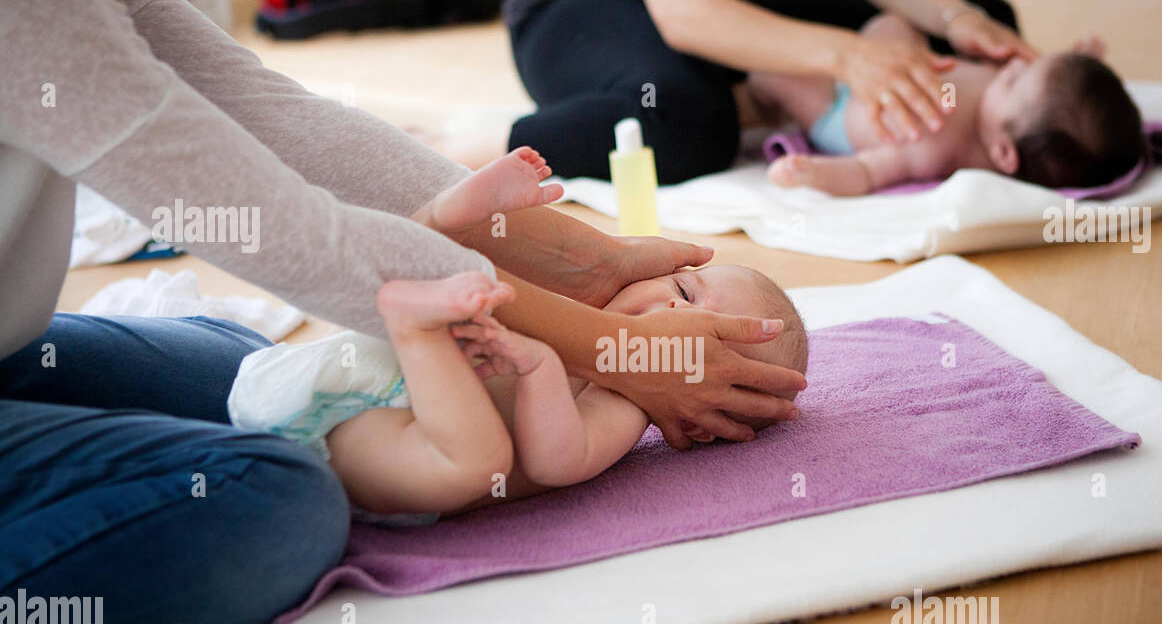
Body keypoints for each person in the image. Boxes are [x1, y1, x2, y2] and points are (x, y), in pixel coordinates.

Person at [0, 0, 804, 624]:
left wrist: (588, 271)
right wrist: (613, 345)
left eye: (692, 312)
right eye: (687, 296)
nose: (671, 305)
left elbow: (274, 120)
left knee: (242, 361)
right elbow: (287, 232)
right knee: (280, 501)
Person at [227, 148, 809, 517]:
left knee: (478, 464)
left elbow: (558, 462)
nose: (670, 312)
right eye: (683, 290)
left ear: (699, 408)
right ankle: (444, 225)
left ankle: (433, 255)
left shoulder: (622, 408)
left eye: (702, 338)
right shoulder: (572, 320)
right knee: (455, 296)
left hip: (362, 446)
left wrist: (539, 372)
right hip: (354, 366)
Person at [494, 0, 1037, 183]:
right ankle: (481, 145)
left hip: (723, 13)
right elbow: (679, 8)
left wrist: (958, 20)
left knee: (983, 15)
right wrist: (845, 58)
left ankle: (761, 96)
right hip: (579, 13)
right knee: (690, 122)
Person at [760, 16, 1144, 194]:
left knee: (774, 75)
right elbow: (1046, 92)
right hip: (891, 59)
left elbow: (866, 171)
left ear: (1004, 153)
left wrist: (810, 172)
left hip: (841, 107)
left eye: (1015, 80)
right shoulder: (1005, 107)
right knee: (895, 21)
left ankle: (760, 98)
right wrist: (1076, 64)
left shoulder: (932, 147)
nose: (1011, 66)